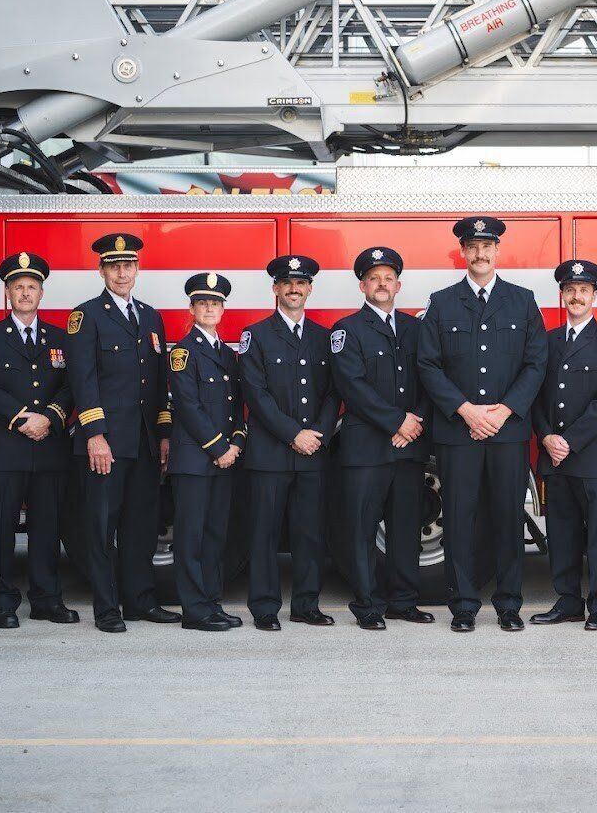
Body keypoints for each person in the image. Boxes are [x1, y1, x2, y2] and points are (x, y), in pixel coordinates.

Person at [417, 216, 547, 633]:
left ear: (497, 251)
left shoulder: (522, 301)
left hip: (508, 432)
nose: (480, 254)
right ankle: (463, 606)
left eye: (486, 246)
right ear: (463, 252)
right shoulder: (442, 302)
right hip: (458, 432)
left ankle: (509, 605)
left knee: (508, 518)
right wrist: (466, 411)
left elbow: (536, 363)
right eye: (472, 247)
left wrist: (504, 410)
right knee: (459, 519)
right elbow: (428, 364)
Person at [66, 233, 177, 633]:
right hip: (107, 444)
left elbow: (159, 382)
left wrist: (163, 434)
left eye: (127, 266)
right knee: (101, 529)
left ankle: (140, 601)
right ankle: (107, 609)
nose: (121, 273)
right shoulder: (86, 316)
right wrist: (95, 435)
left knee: (141, 528)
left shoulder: (150, 317)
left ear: (137, 269)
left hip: (144, 444)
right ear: (101, 271)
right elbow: (82, 380)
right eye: (113, 267)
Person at [0, 252, 79, 629]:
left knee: (47, 528)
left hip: (49, 446)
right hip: (5, 449)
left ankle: (46, 600)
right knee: (0, 530)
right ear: (7, 293)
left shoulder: (61, 339)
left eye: (32, 287)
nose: (25, 293)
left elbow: (71, 386)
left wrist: (49, 417)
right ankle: (1, 602)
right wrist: (23, 419)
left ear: (41, 293)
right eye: (18, 287)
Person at [331, 247, 434, 630]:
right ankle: (369, 606)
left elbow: (431, 378)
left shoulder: (416, 329)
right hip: (367, 449)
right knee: (362, 530)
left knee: (405, 528)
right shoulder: (346, 330)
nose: (381, 284)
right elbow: (352, 386)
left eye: (388, 279)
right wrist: (397, 422)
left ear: (398, 286)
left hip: (409, 447)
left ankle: (404, 602)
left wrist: (415, 420)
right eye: (374, 278)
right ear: (362, 286)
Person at [240, 255, 339, 630]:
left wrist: (318, 434)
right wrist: (293, 434)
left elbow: (333, 393)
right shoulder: (256, 335)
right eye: (287, 283)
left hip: (312, 453)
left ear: (309, 289)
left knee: (309, 533)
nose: (294, 289)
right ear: (276, 289)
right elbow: (256, 394)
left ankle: (306, 605)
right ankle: (265, 608)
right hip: (270, 454)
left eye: (300, 283)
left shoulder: (324, 338)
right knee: (264, 534)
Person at [530, 260, 597, 631]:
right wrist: (546, 436)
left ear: (594, 296)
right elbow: (534, 395)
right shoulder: (547, 342)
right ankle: (568, 601)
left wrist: (568, 441)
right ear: (562, 294)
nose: (577, 296)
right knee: (561, 533)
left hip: (591, 456)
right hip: (554, 455)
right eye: (570, 290)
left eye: (583, 290)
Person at [167, 273, 245, 632]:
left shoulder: (228, 354)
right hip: (195, 461)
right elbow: (188, 405)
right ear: (192, 309)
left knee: (216, 536)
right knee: (191, 538)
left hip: (224, 459)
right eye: (202, 303)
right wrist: (219, 448)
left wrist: (237, 444)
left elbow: (237, 407)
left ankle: (212, 603)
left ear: (223, 309)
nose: (209, 308)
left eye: (215, 303)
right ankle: (194, 611)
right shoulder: (183, 352)